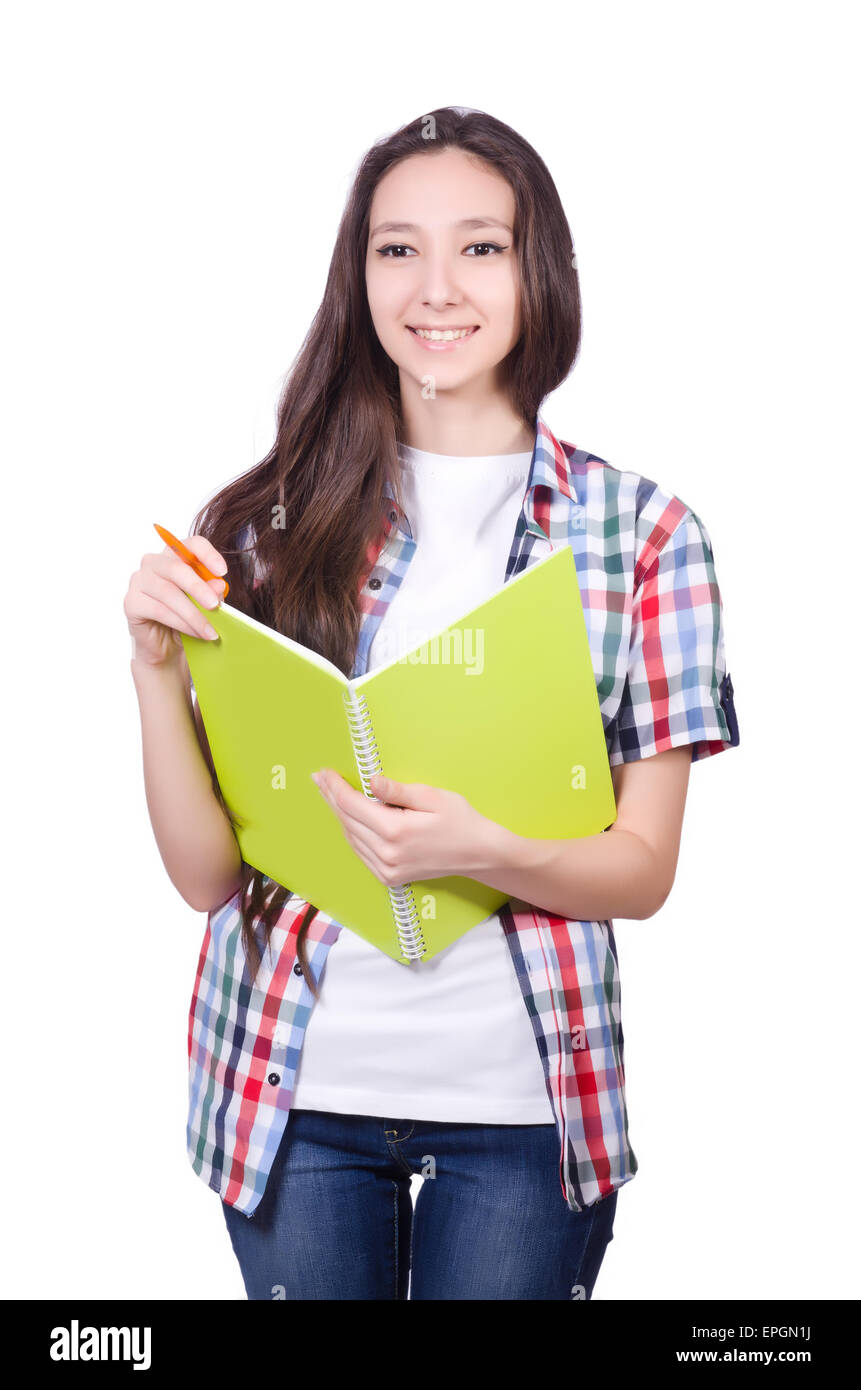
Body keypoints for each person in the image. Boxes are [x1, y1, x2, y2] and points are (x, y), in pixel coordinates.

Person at [124, 106, 739, 1301]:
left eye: (481, 247)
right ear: (358, 278)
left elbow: (645, 869)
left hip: (519, 1110)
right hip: (292, 1100)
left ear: (538, 271)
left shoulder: (646, 536)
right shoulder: (263, 527)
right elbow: (208, 878)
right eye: (397, 249)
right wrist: (153, 670)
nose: (434, 287)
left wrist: (482, 849)